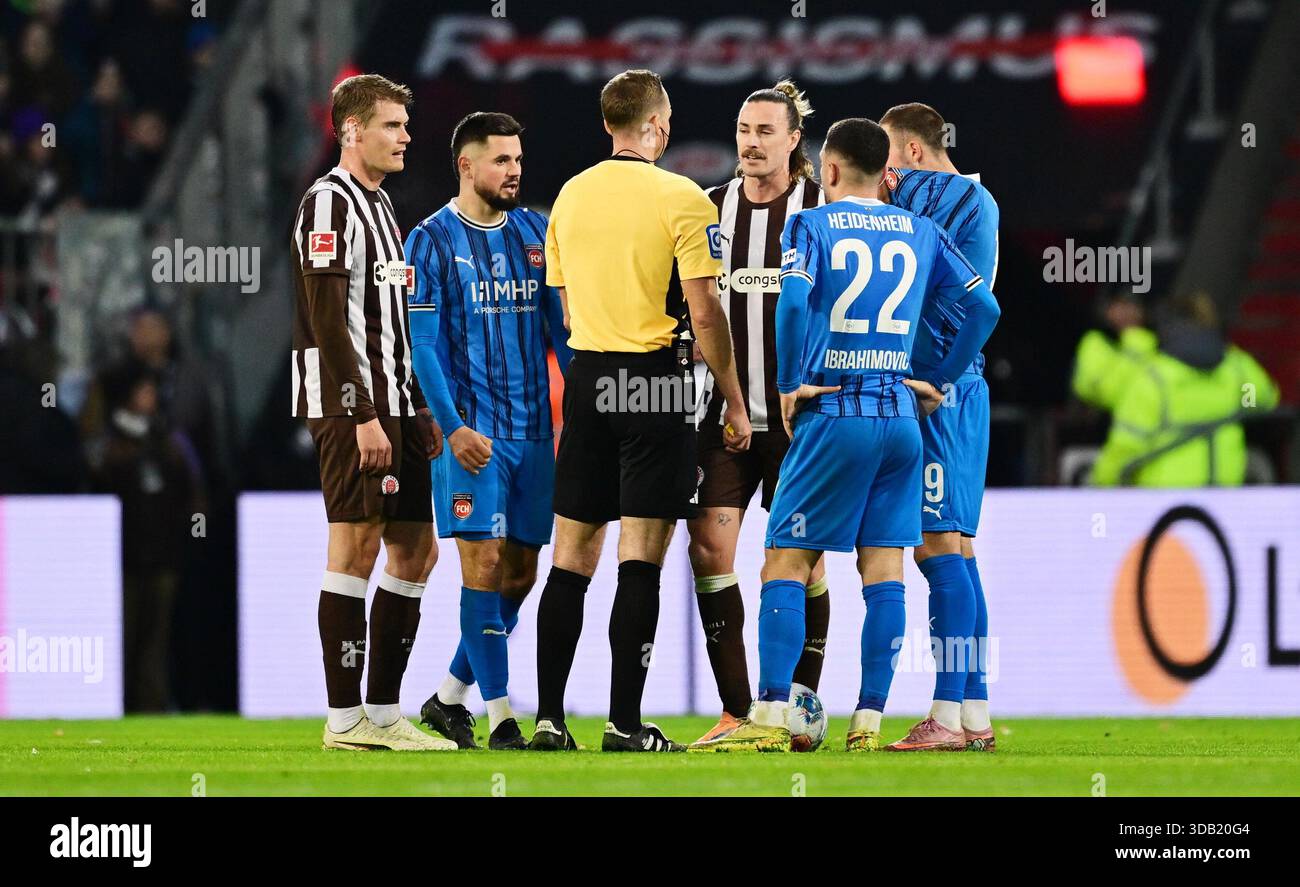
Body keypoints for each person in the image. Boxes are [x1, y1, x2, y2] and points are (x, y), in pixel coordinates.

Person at [695, 118, 999, 752]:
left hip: (837, 408)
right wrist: (937, 377)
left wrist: (790, 380)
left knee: (787, 558)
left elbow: (794, 301)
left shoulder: (812, 224)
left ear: (826, 171)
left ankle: (772, 716)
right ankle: (868, 723)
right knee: (884, 567)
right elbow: (985, 308)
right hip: (901, 415)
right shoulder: (923, 230)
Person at [531, 69, 751, 752]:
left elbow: (563, 305)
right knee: (641, 557)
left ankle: (548, 719)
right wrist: (735, 399)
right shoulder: (682, 197)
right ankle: (624, 722)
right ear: (657, 125)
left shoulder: (568, 196)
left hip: (590, 376)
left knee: (569, 556)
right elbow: (707, 311)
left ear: (608, 125)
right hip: (654, 381)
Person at [290, 73, 452, 751]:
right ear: (352, 130)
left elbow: (390, 320)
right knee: (355, 546)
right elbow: (327, 319)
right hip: (350, 405)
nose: (406, 136)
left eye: (406, 125)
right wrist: (361, 412)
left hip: (393, 402)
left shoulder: (382, 208)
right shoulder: (328, 204)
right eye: (392, 124)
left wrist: (414, 406)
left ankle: (383, 712)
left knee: (417, 549)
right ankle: (343, 717)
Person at [405, 112, 573, 750]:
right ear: (465, 165)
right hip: (473, 436)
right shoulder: (430, 241)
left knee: (520, 574)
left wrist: (581, 402)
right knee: (482, 564)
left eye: (518, 160)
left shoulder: (535, 231)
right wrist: (452, 429)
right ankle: (501, 717)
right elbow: (424, 348)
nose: (514, 171)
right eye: (500, 160)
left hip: (536, 434)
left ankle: (448, 699)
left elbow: (560, 331)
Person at [688, 80, 827, 750]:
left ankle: (800, 704)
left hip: (802, 422)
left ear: (795, 140)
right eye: (744, 129)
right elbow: (690, 309)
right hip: (725, 420)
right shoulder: (712, 212)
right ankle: (738, 708)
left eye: (766, 131)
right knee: (708, 549)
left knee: (798, 563)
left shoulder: (822, 208)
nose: (750, 142)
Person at [878, 102, 1002, 751]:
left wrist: (938, 382)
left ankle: (946, 716)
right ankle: (974, 710)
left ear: (915, 153)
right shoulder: (981, 201)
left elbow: (980, 306)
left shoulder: (925, 196)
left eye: (888, 159)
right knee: (959, 551)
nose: (885, 175)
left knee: (934, 551)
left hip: (938, 391)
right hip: (968, 390)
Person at [1076, 292, 1279, 486]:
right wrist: (1237, 404)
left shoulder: (1154, 377)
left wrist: (1102, 480)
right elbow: (1262, 400)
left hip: (1166, 500)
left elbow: (1127, 444)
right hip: (1224, 492)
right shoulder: (1236, 366)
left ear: (1164, 326)